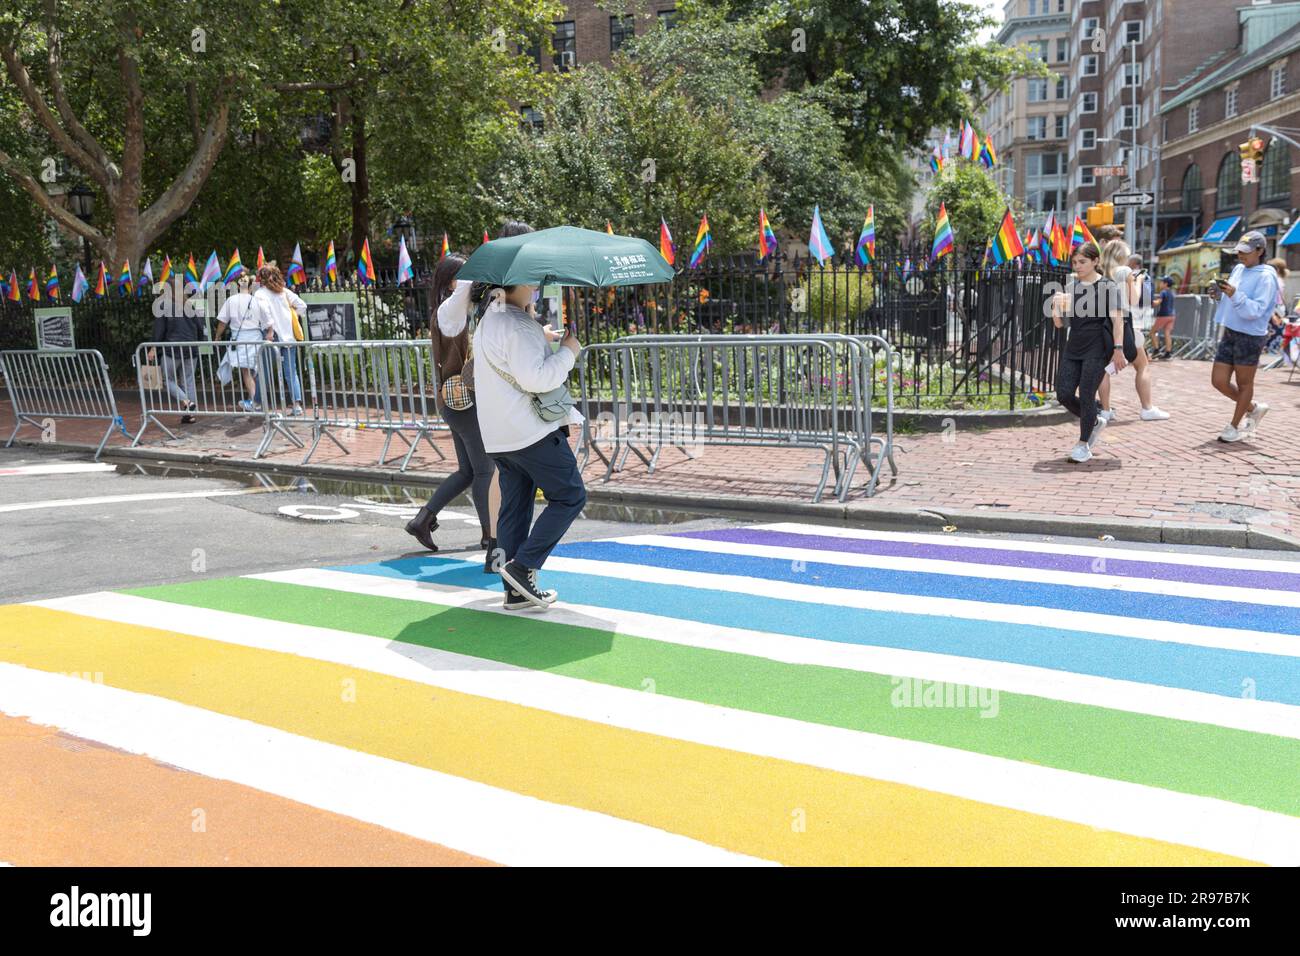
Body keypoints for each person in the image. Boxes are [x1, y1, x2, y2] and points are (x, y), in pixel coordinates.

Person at [474, 282, 585, 610]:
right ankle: (522, 568)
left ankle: (514, 592)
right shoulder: (519, 324)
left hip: (498, 435)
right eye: (533, 281)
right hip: (530, 432)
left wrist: (540, 332)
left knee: (515, 506)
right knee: (570, 496)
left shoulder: (490, 319)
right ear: (519, 282)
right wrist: (569, 352)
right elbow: (535, 379)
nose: (537, 286)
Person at [404, 253, 496, 555]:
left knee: (467, 472)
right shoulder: (450, 309)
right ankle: (490, 536)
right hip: (463, 402)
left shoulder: (445, 310)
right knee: (484, 471)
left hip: (453, 402)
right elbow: (467, 284)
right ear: (453, 280)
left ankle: (423, 519)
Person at [1052, 241, 1126, 463]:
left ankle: (1083, 444)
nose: (1077, 266)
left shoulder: (1108, 287)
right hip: (1073, 347)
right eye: (1074, 262)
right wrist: (1055, 306)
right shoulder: (1071, 288)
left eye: (1082, 262)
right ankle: (1093, 419)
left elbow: (1118, 320)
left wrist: (1118, 349)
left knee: (1086, 394)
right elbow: (1060, 324)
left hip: (1097, 348)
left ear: (1096, 261)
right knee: (1063, 393)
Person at [1209, 230, 1277, 442]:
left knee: (1244, 383)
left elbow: (1256, 310)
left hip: (1250, 335)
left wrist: (1234, 294)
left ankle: (1234, 426)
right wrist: (1220, 294)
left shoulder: (1267, 276)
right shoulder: (1238, 268)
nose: (1241, 255)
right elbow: (1233, 300)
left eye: (1246, 252)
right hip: (1230, 330)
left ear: (1260, 251)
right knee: (1218, 381)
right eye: (1239, 251)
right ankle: (1253, 408)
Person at [1097, 239, 1170, 422]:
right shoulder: (1125, 271)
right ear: (1122, 256)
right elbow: (1134, 299)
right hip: (1124, 324)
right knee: (1142, 365)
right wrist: (1138, 281)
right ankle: (1147, 408)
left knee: (1103, 370)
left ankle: (1105, 410)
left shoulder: (1100, 273)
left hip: (1103, 325)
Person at [249, 263, 310, 415]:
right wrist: (293, 314)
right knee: (291, 372)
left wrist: (269, 328)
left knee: (265, 371)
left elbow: (265, 312)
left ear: (261, 279)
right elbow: (302, 305)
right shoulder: (284, 292)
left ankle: (257, 403)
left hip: (273, 336)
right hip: (289, 337)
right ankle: (296, 405)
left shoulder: (260, 294)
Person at [147, 276, 207, 424]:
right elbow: (200, 327)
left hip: (171, 349)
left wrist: (154, 347)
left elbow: (159, 329)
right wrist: (199, 342)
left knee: (168, 380)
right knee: (189, 381)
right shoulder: (190, 305)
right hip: (191, 349)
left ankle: (186, 402)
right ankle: (190, 414)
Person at [214, 273, 264, 411]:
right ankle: (256, 400)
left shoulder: (231, 300)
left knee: (246, 372)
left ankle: (256, 402)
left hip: (241, 339)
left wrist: (217, 336)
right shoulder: (257, 300)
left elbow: (223, 322)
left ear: (237, 285)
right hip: (257, 338)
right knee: (256, 371)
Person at [1150, 276, 1177, 359]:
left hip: (1163, 315)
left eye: (1161, 282)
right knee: (1167, 333)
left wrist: (1151, 301)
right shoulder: (1172, 293)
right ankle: (1168, 353)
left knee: (1152, 332)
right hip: (1172, 315)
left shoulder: (1163, 292)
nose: (1160, 283)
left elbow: (1158, 302)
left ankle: (1156, 350)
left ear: (1165, 284)